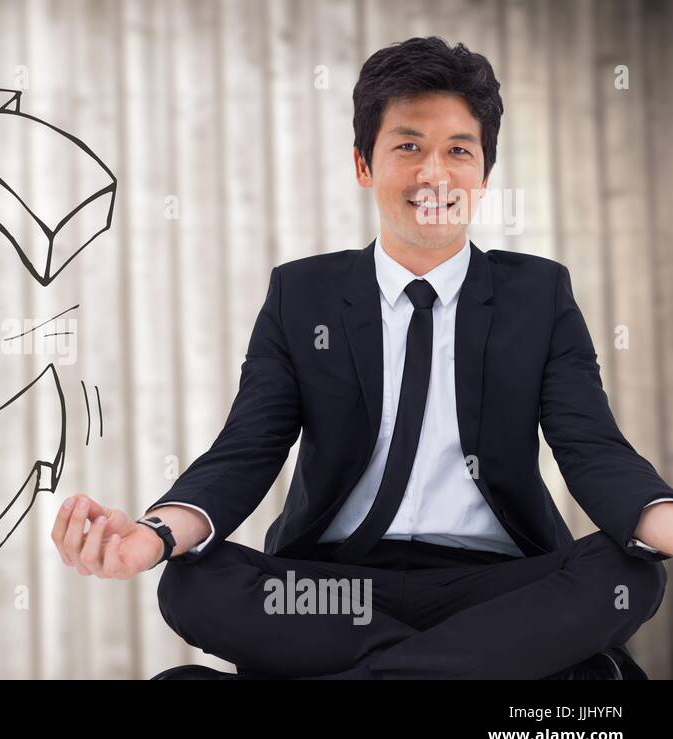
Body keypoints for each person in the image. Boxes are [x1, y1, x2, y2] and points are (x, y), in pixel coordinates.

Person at [50, 36, 671, 679]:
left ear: (484, 173)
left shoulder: (537, 295)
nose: (435, 174)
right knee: (189, 583)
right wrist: (152, 535)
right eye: (409, 147)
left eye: (459, 151)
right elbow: (248, 448)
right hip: (332, 593)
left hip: (498, 589)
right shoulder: (303, 294)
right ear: (363, 165)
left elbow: (592, 447)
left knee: (629, 572)